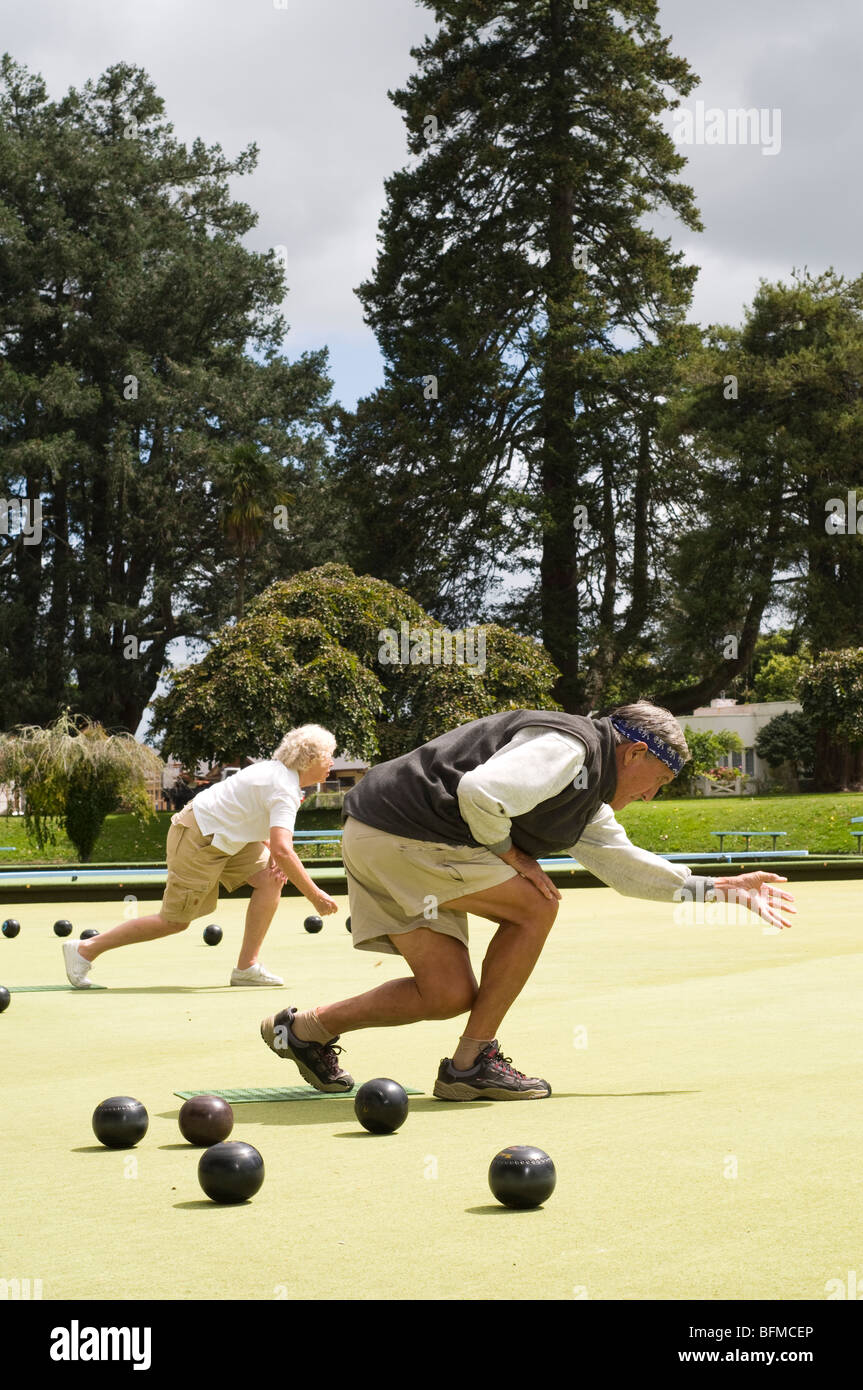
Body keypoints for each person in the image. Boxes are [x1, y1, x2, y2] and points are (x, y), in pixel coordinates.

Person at [259, 703, 795, 1099]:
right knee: (538, 904)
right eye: (654, 784)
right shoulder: (571, 747)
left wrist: (712, 887)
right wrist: (511, 853)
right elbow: (481, 793)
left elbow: (622, 866)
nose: (649, 797)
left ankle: (303, 1030)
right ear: (634, 752)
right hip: (409, 836)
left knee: (445, 994)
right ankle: (472, 1063)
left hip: (375, 835)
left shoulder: (586, 794)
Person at [62, 725, 339, 989]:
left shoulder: (276, 774)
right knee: (175, 921)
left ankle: (247, 968)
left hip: (227, 838)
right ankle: (86, 949)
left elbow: (250, 818)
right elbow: (283, 849)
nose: (333, 763)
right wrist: (316, 896)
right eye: (329, 756)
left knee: (271, 878)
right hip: (198, 837)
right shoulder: (284, 788)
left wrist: (273, 853)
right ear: (311, 758)